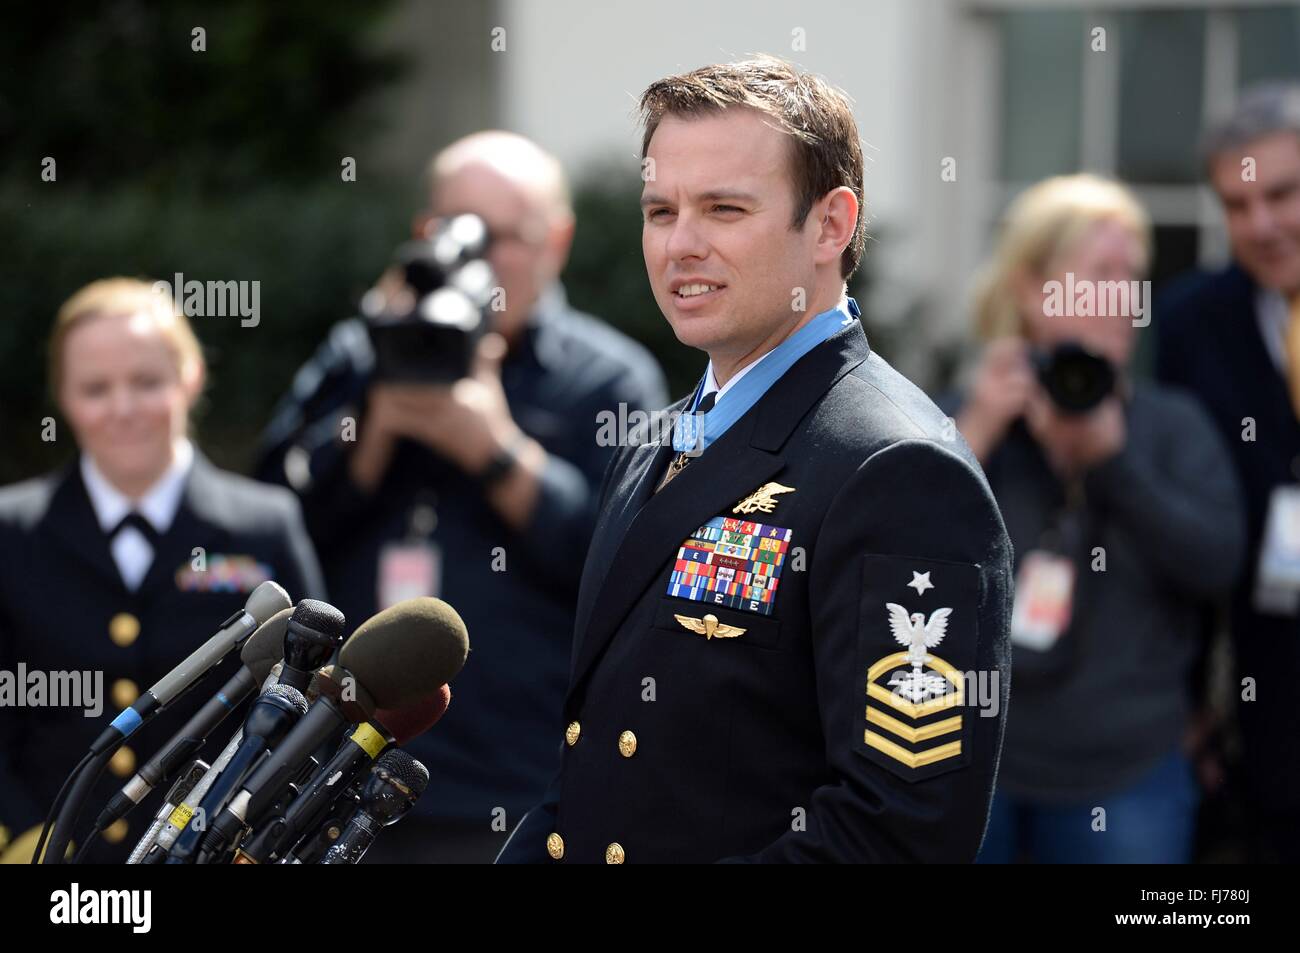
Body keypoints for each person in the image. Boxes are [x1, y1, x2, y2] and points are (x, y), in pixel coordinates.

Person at [497, 56, 1012, 864]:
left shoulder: (899, 468)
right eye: (659, 210)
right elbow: (595, 758)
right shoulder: (650, 443)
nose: (681, 245)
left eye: (724, 209)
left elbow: (899, 829)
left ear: (832, 225)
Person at [256, 131, 668, 863]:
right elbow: (270, 517)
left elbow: (627, 563)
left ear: (557, 242)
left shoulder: (606, 378)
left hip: (517, 786)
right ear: (422, 235)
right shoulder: (358, 354)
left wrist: (495, 448)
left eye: (502, 237)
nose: (477, 259)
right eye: (454, 232)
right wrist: (372, 427)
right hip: (338, 774)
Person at [953, 175, 1244, 863]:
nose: (1124, 298)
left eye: (1132, 277)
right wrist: (974, 434)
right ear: (1029, 288)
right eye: (1100, 274)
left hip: (1126, 774)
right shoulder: (961, 416)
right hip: (970, 764)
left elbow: (1217, 564)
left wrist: (1113, 462)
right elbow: (893, 556)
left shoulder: (1172, 426)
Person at [0, 277, 324, 863]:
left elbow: (311, 703)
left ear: (190, 376)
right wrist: (26, 842)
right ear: (63, 398)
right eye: (95, 388)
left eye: (146, 382)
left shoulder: (264, 525)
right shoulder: (11, 532)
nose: (122, 408)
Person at [1156, 83, 1300, 861]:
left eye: (1282, 194)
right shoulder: (1192, 322)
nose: (1262, 225)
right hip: (1261, 691)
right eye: (1237, 206)